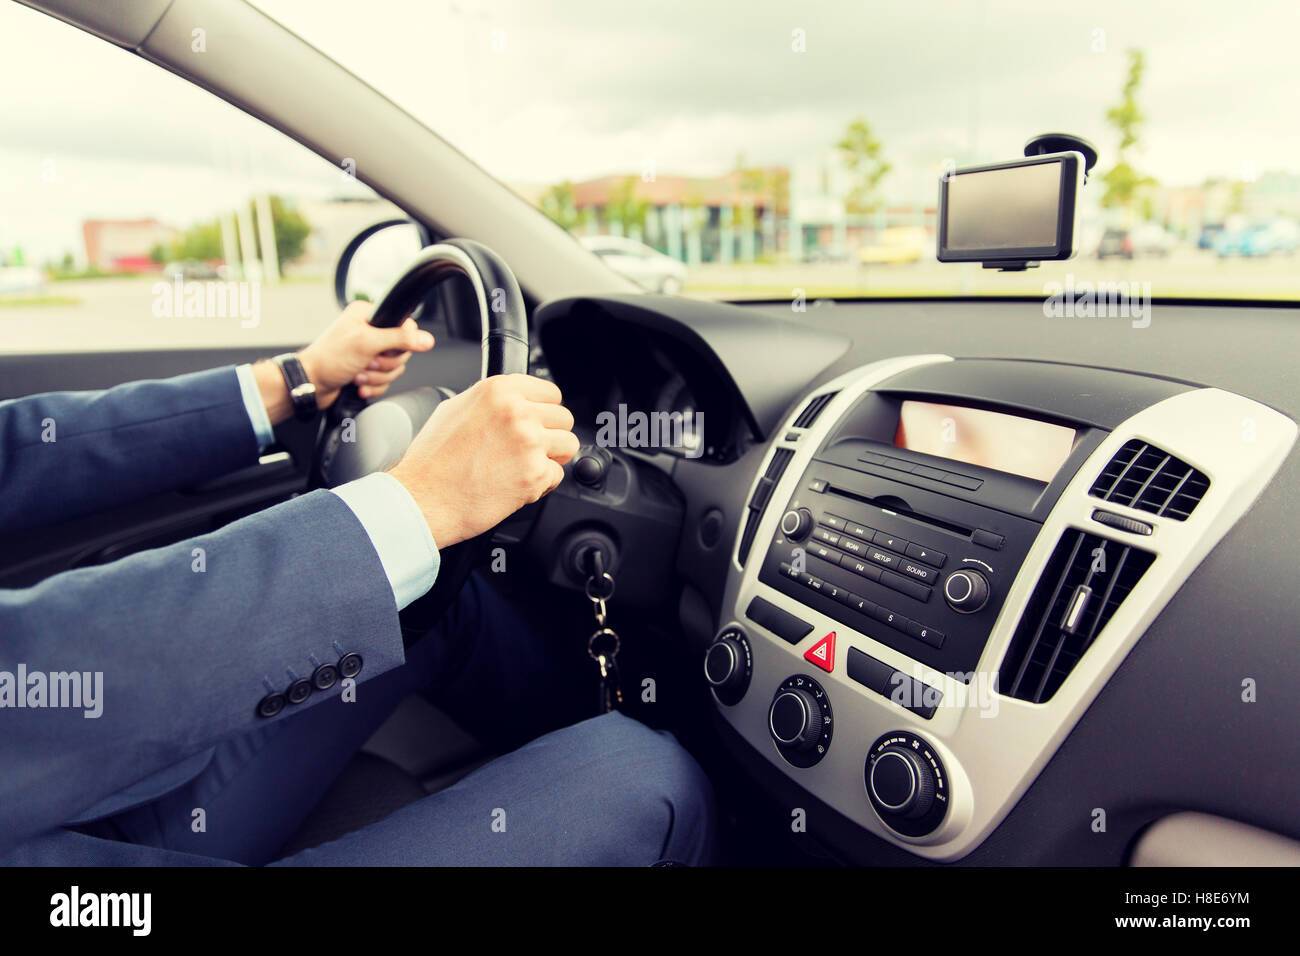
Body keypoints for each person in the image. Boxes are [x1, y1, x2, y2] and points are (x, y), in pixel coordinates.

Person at [0, 303, 717, 866]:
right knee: (652, 780)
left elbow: (14, 450)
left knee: (432, 602)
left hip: (73, 799)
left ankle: (592, 722)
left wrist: (294, 379)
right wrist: (415, 505)